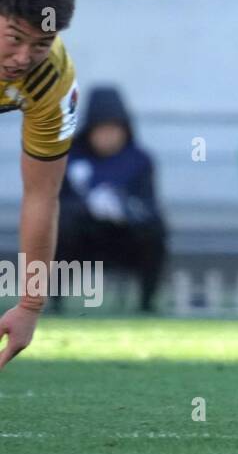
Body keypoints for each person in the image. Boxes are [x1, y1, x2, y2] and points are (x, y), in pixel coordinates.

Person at [0, 0, 79, 369]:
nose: (23, 58)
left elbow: (42, 195)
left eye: (41, 44)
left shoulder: (53, 79)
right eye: (15, 38)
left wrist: (30, 305)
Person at [56, 86, 166, 313]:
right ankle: (54, 300)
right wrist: (88, 207)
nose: (108, 136)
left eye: (114, 129)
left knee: (155, 232)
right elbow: (57, 203)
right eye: (102, 130)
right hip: (82, 240)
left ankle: (147, 302)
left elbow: (150, 207)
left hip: (125, 240)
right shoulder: (70, 157)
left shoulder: (140, 160)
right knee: (60, 227)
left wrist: (124, 208)